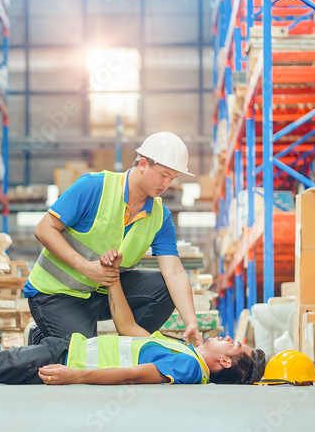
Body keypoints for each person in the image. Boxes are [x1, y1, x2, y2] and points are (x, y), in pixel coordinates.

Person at [0, 251, 267, 387]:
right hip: (71, 346)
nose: (229, 337)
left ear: (225, 363)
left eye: (234, 345)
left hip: (70, 358)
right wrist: (112, 279)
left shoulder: (190, 367)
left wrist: (74, 377)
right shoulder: (185, 352)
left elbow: (133, 373)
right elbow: (132, 332)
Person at [25, 131, 203, 346]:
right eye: (163, 174)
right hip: (56, 294)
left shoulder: (160, 216)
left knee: (163, 287)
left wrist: (191, 321)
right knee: (83, 357)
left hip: (101, 295)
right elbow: (44, 229)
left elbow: (174, 271)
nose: (166, 184)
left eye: (173, 178)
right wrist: (85, 267)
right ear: (144, 164)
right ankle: (40, 336)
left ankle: (129, 347)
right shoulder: (94, 187)